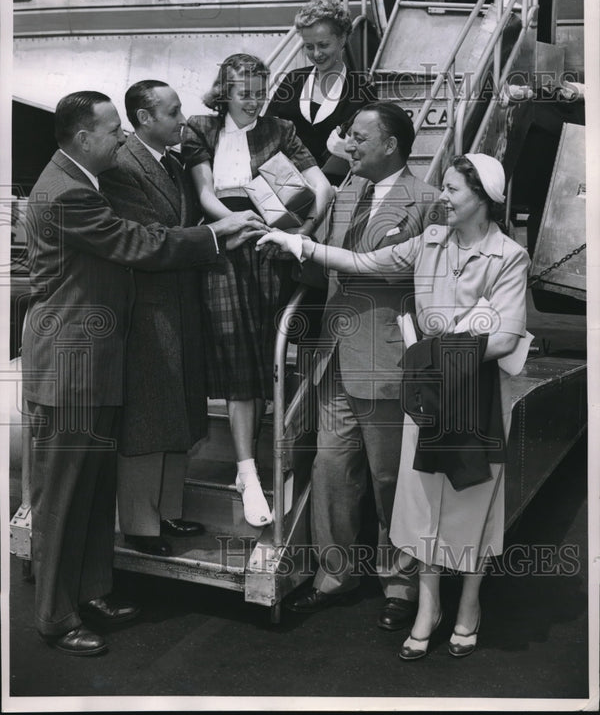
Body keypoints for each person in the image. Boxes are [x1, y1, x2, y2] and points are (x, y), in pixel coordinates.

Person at [257, 152, 529, 659]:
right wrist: (301, 244)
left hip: (475, 395)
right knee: (423, 504)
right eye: (443, 187)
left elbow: (506, 336)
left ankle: (469, 601)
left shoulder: (508, 256)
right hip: (427, 392)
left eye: (452, 190)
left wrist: (435, 342)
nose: (441, 197)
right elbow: (365, 263)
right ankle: (429, 607)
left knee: (472, 505)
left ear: (483, 198)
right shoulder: (429, 242)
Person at [23, 90, 265, 656]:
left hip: (96, 365)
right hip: (71, 370)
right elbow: (135, 241)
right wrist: (214, 234)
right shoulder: (66, 195)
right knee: (61, 499)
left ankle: (92, 590)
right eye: (113, 131)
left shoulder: (82, 182)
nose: (120, 138)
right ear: (85, 138)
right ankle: (56, 617)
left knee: (92, 490)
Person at [275, 101, 442, 631]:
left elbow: (395, 275)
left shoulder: (427, 201)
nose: (349, 143)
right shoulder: (345, 192)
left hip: (387, 360)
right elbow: (321, 261)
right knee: (332, 471)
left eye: (359, 136)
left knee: (390, 477)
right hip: (334, 359)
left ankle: (399, 582)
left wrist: (312, 250)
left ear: (391, 143)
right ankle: (335, 574)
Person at [181, 53, 333, 527]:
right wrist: (230, 224)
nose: (253, 101)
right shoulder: (200, 128)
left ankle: (256, 465)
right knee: (237, 361)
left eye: (259, 91)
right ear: (224, 90)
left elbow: (321, 185)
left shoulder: (280, 130)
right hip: (225, 252)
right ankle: (247, 470)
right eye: (244, 92)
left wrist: (302, 232)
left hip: (270, 252)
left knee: (266, 359)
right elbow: (205, 193)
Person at [100, 80, 209, 557]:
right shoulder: (124, 166)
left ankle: (168, 511)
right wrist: (207, 238)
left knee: (176, 409)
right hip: (148, 307)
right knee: (148, 417)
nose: (182, 119)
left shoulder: (172, 161)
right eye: (173, 112)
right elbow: (149, 237)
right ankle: (142, 527)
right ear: (145, 118)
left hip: (178, 301)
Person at [265, 0, 378, 186]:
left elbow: (375, 154)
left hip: (338, 190)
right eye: (309, 47)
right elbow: (265, 136)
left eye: (323, 45)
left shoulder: (363, 90)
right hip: (286, 188)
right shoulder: (292, 81)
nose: (316, 54)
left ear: (342, 38)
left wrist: (348, 152)